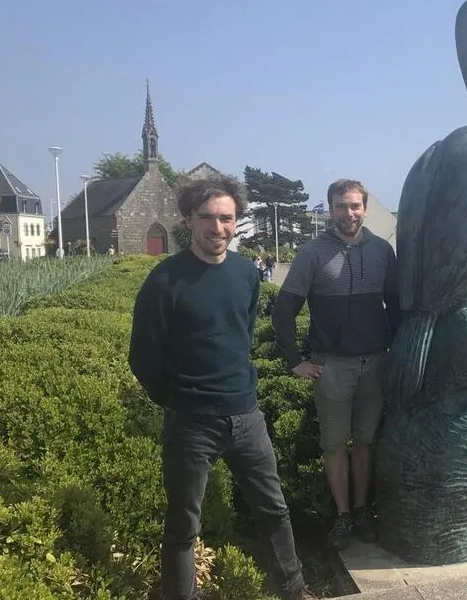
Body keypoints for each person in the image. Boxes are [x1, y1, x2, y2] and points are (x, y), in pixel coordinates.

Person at [128, 175, 316, 600]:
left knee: (273, 510)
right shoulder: (164, 280)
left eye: (227, 218)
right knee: (183, 526)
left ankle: (294, 590)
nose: (218, 228)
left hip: (247, 416)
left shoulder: (246, 273)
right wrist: (178, 400)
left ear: (237, 220)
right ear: (189, 220)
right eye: (208, 218)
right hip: (191, 423)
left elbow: (241, 332)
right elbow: (142, 357)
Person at [272, 178, 400, 551]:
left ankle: (362, 511)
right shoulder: (312, 253)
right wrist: (295, 360)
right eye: (342, 206)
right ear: (330, 209)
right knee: (333, 446)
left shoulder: (382, 252)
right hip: (331, 367)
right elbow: (284, 309)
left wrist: (399, 351)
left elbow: (396, 307)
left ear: (364, 208)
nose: (349, 213)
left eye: (355, 206)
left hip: (376, 363)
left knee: (365, 442)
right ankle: (343, 516)